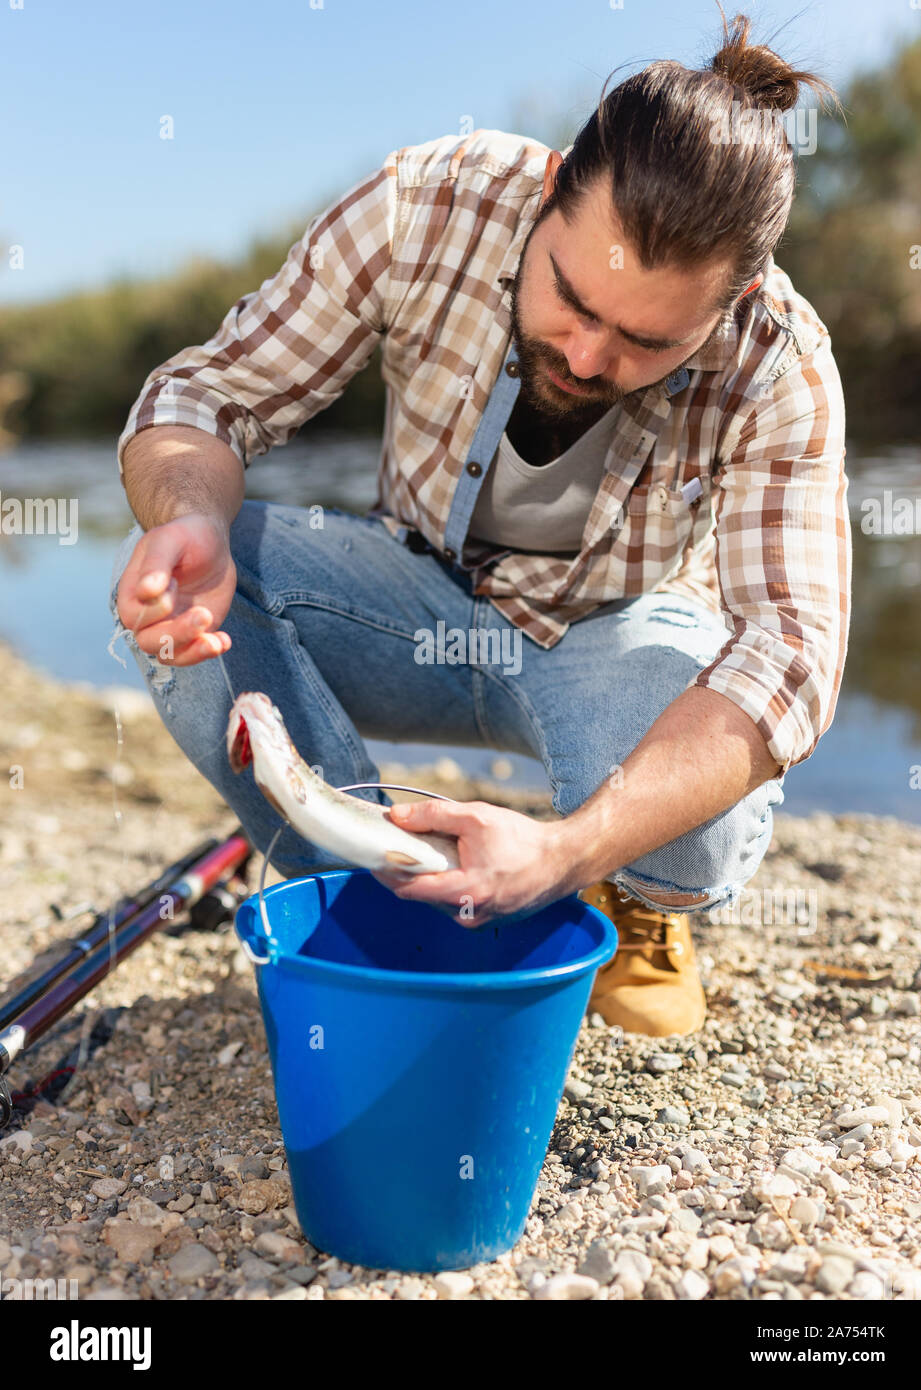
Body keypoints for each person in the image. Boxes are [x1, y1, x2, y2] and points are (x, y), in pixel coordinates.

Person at [110, 13, 849, 1038]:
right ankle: (368, 896)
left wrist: (570, 848)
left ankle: (630, 900)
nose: (588, 357)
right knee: (191, 586)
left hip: (618, 634)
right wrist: (185, 513)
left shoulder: (781, 362)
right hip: (409, 592)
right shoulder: (424, 201)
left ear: (735, 302)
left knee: (690, 843)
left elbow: (793, 653)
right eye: (572, 301)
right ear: (549, 190)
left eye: (644, 341)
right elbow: (205, 395)